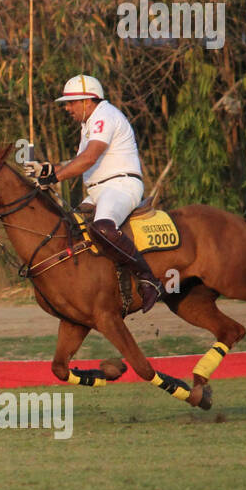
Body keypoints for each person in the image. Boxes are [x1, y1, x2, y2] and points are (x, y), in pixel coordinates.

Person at [35, 74, 161, 313]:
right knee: (69, 228)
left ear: (89, 101)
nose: (67, 108)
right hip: (98, 191)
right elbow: (78, 160)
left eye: (72, 102)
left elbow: (89, 158)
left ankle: (148, 278)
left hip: (120, 186)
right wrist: (48, 169)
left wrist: (54, 177)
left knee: (103, 227)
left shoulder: (105, 115)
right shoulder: (88, 123)